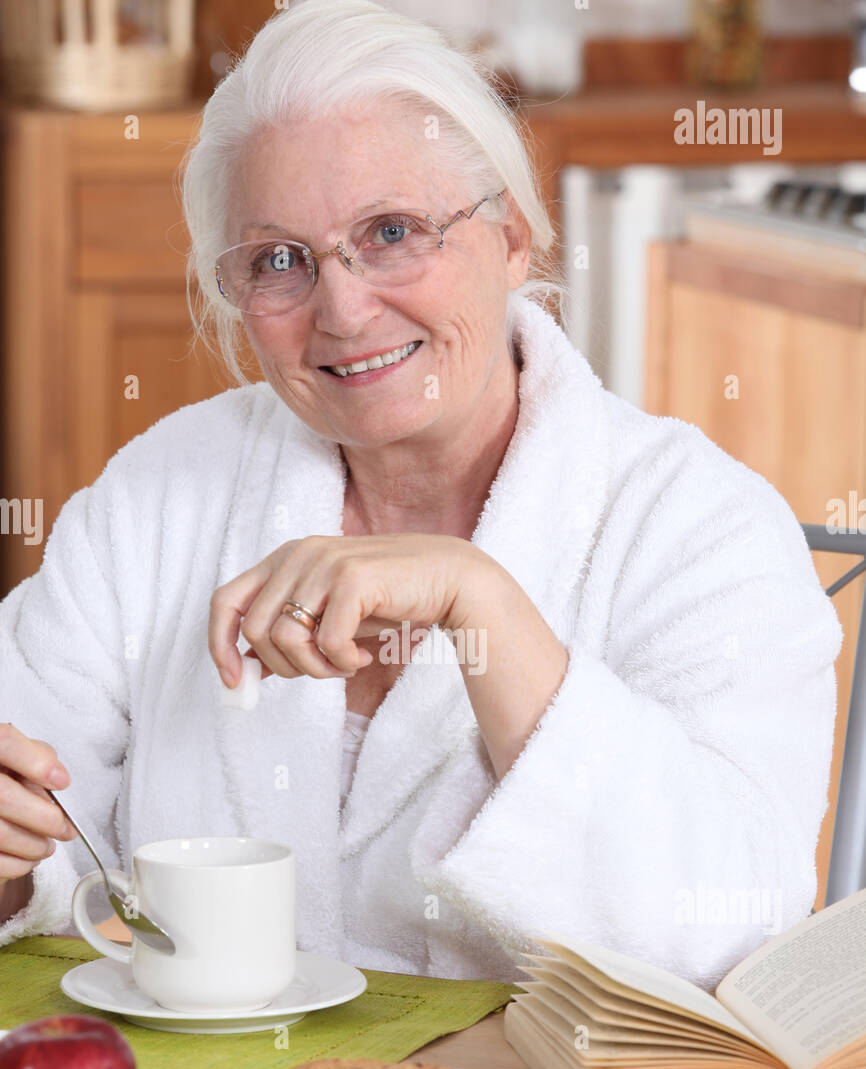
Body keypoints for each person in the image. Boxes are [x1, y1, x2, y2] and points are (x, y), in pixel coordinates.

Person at [0, 0, 842, 989]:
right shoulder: (159, 495)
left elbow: (734, 940)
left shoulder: (698, 525)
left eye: (392, 232)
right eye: (278, 261)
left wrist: (475, 596)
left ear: (511, 239)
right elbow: (45, 843)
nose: (344, 310)